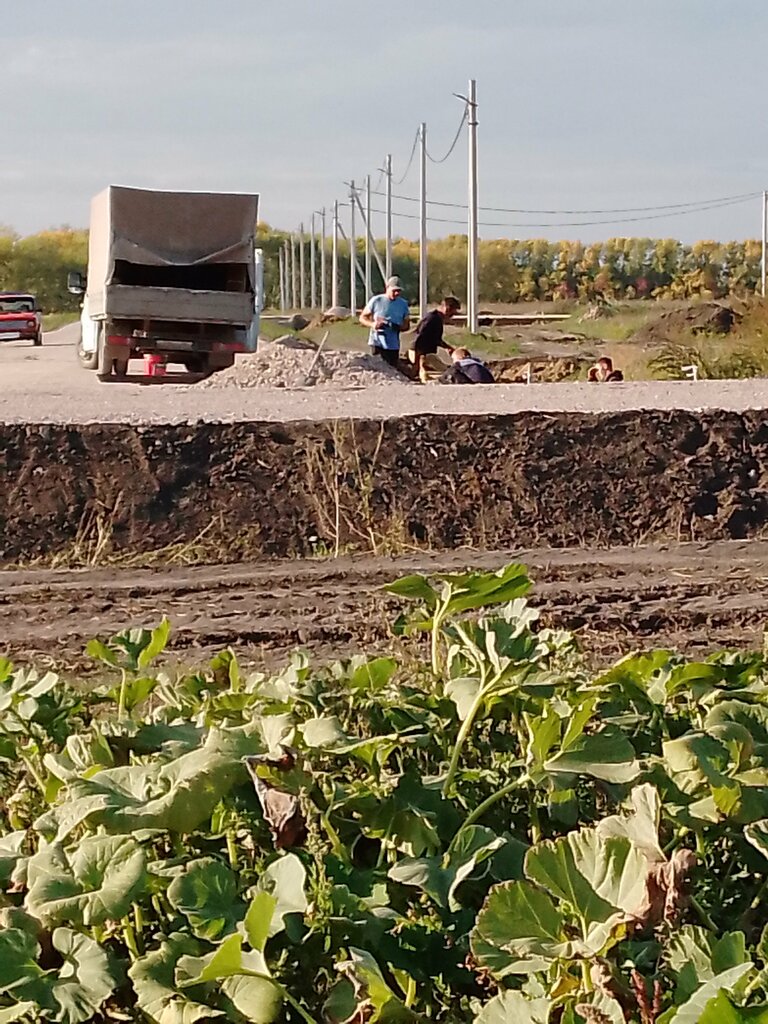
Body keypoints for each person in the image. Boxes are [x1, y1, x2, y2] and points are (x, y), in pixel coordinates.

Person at [359, 276, 411, 367]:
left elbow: (407, 325)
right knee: (378, 368)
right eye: (394, 291)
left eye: (398, 291)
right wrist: (373, 324)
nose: (396, 293)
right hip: (377, 342)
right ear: (387, 288)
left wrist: (397, 327)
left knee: (392, 368)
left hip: (393, 345)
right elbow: (362, 317)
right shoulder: (376, 300)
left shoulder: (403, 304)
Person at [408, 296, 461, 382]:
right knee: (442, 370)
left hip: (425, 353)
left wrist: (447, 347)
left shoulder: (437, 319)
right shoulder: (432, 318)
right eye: (452, 313)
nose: (452, 316)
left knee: (437, 369)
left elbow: (436, 339)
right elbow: (420, 335)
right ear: (447, 308)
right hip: (419, 352)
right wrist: (418, 356)